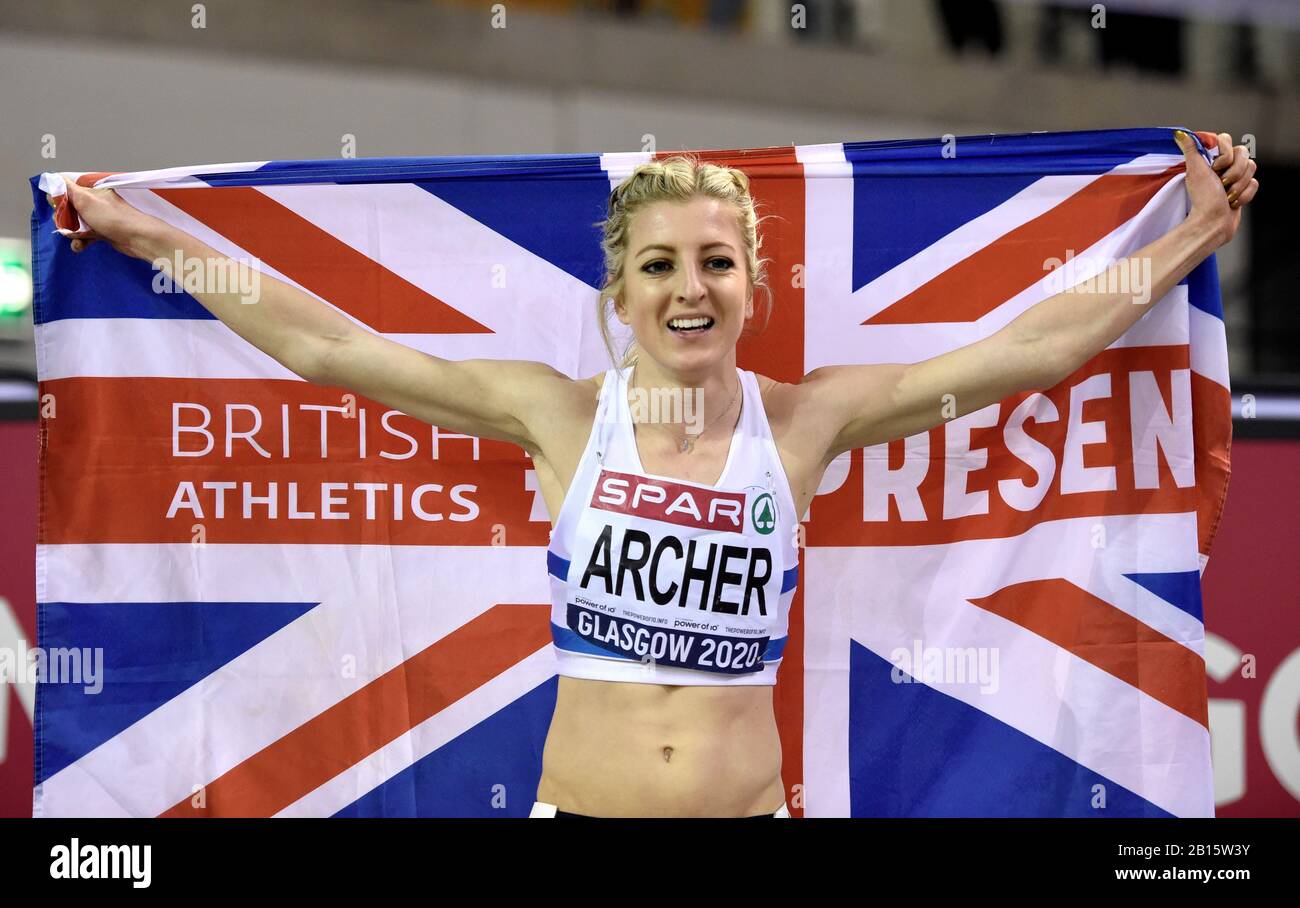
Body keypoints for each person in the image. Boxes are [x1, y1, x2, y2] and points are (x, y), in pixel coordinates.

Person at [48, 130, 1258, 818]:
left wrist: (1193, 233)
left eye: (718, 261)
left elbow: (1032, 347)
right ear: (617, 297)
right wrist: (154, 233)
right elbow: (329, 347)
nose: (692, 286)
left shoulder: (807, 425)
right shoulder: (554, 414)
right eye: (663, 263)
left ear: (754, 287)